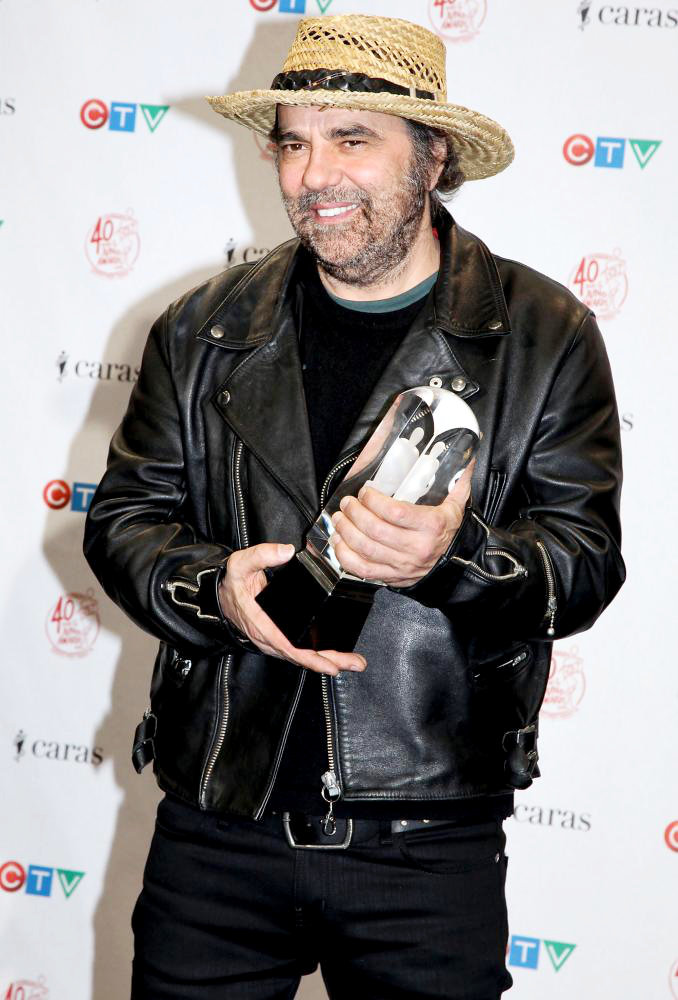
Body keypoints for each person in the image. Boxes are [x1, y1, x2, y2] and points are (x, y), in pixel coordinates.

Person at [83, 13, 625, 999]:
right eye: (293, 141)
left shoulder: (542, 334)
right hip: (215, 836)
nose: (311, 175)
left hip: (427, 846)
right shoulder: (201, 329)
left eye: (352, 138)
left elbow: (583, 563)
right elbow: (125, 520)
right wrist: (215, 590)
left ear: (434, 155)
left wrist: (452, 556)